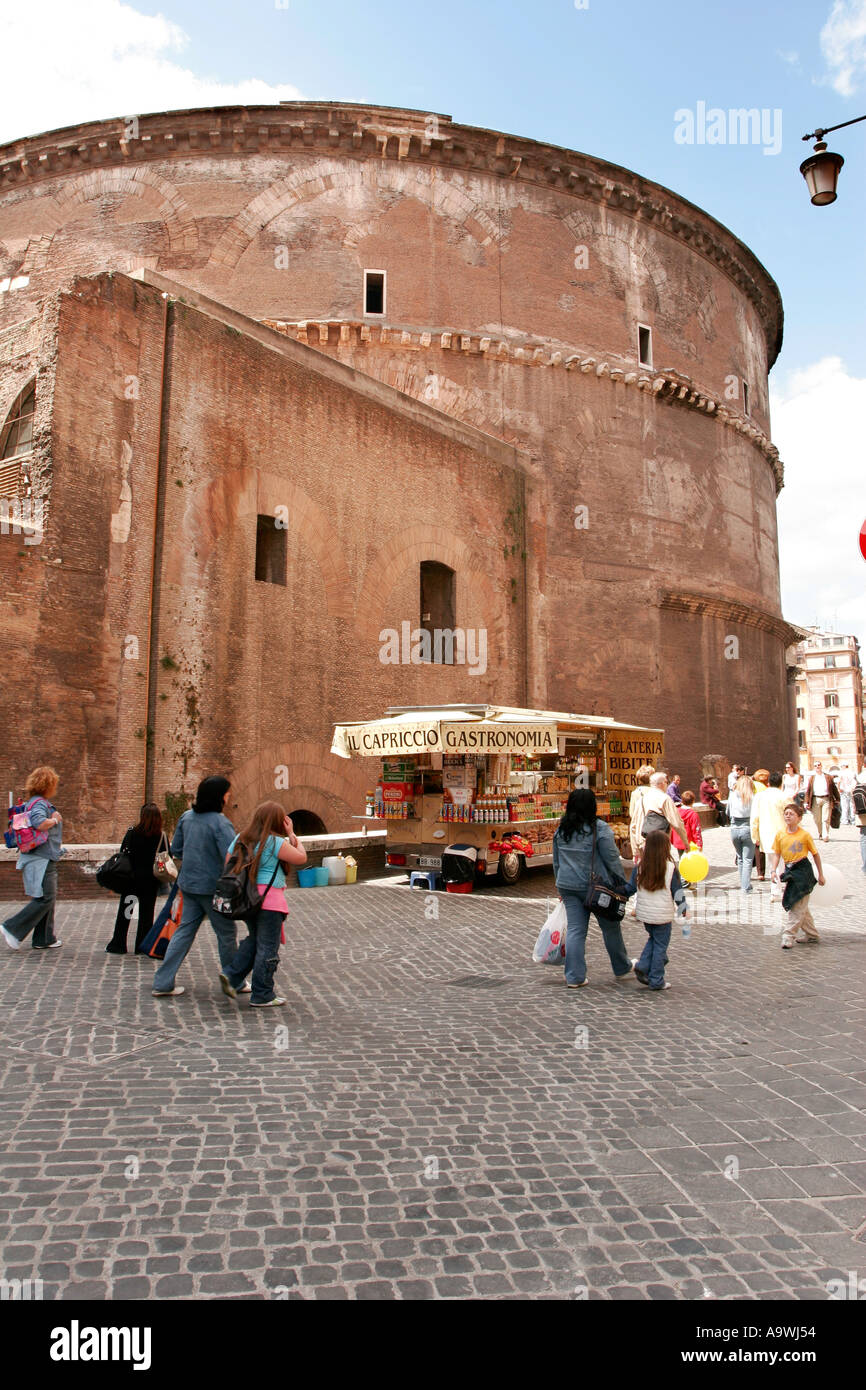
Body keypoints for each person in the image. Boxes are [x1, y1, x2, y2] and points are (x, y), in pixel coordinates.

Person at [152, 775, 239, 998]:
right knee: (227, 933)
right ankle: (233, 979)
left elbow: (177, 849)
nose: (229, 797)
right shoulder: (221, 823)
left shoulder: (186, 818)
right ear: (220, 797)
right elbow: (232, 856)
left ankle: (162, 982)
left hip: (189, 885)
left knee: (184, 931)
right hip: (213, 888)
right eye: (227, 793)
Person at [219, 802, 307, 1007]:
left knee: (255, 939)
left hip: (248, 899)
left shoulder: (240, 838)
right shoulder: (275, 842)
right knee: (268, 946)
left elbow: (228, 864)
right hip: (270, 902)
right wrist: (292, 834)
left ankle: (231, 975)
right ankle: (262, 993)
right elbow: (301, 857)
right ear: (279, 821)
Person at [553, 788, 633, 989]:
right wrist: (622, 885)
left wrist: (559, 885)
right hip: (596, 887)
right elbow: (612, 859)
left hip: (568, 885)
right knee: (610, 927)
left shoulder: (562, 830)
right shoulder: (599, 828)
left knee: (576, 930)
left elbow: (556, 861)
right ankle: (621, 967)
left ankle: (574, 976)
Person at [1, 766, 65, 951]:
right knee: (46, 897)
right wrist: (55, 819)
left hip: (42, 856)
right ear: (49, 785)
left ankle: (44, 938)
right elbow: (39, 822)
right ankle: (12, 928)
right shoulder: (39, 804)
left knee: (47, 898)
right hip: (42, 858)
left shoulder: (34, 802)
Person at [624, 829, 687, 991]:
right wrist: (683, 907)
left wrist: (617, 892)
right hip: (662, 915)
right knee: (660, 946)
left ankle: (643, 965)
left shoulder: (640, 867)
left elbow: (630, 888)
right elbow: (677, 891)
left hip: (645, 914)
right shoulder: (670, 868)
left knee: (654, 939)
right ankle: (656, 979)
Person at [105, 802, 163, 955]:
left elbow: (123, 851)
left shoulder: (132, 832)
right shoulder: (160, 836)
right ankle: (142, 945)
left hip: (131, 880)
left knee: (126, 913)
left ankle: (118, 944)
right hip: (150, 881)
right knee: (146, 915)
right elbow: (165, 856)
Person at [769, 802, 825, 950]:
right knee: (801, 906)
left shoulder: (804, 835)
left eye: (791, 814)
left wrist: (820, 874)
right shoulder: (780, 834)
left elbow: (815, 855)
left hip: (803, 871)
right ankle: (812, 935)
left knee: (797, 906)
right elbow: (777, 853)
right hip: (790, 871)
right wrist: (773, 870)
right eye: (786, 813)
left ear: (799, 818)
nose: (787, 816)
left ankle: (788, 935)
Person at [629, 772, 687, 862]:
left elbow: (633, 826)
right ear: (662, 784)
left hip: (643, 843)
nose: (667, 784)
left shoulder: (641, 800)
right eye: (666, 782)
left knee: (645, 873)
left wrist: (635, 851)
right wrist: (686, 843)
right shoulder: (665, 799)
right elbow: (677, 823)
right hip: (660, 844)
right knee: (664, 872)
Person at [750, 771, 788, 887]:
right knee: (780, 863)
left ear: (769, 783)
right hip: (783, 834)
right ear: (781, 783)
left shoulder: (759, 796)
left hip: (766, 834)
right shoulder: (784, 796)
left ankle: (776, 889)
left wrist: (754, 836)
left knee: (773, 863)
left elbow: (754, 818)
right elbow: (793, 816)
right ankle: (778, 888)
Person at [728, 772, 756, 894]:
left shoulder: (733, 795)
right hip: (747, 827)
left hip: (734, 828)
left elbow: (728, 811)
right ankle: (745, 886)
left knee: (740, 858)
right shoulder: (753, 797)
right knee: (748, 859)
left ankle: (744, 883)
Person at [804, 761, 840, 842]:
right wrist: (806, 802)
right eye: (815, 765)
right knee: (817, 819)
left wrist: (837, 799)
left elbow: (834, 789)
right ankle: (820, 833)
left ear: (821, 766)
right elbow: (808, 790)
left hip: (826, 799)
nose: (817, 767)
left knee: (826, 818)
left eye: (819, 765)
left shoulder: (828, 777)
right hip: (815, 799)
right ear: (814, 767)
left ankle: (825, 834)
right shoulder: (812, 778)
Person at [751, 770, 770, 878]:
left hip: (750, 817)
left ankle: (757, 872)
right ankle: (762, 872)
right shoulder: (765, 789)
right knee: (761, 845)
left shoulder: (751, 785)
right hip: (763, 818)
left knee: (754, 845)